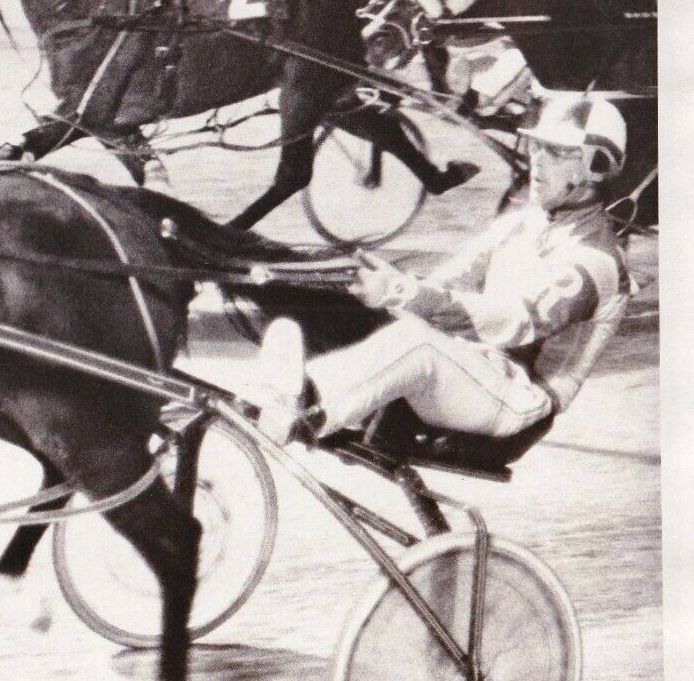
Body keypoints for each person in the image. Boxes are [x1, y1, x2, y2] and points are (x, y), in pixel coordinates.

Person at [258, 92, 631, 446]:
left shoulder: (596, 261)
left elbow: (516, 321)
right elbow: (446, 283)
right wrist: (372, 286)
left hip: (519, 398)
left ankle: (302, 410)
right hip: (469, 368)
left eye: (558, 151)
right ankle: (279, 392)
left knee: (416, 342)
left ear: (594, 167)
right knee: (361, 310)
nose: (538, 159)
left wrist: (404, 292)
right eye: (537, 145)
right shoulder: (521, 223)